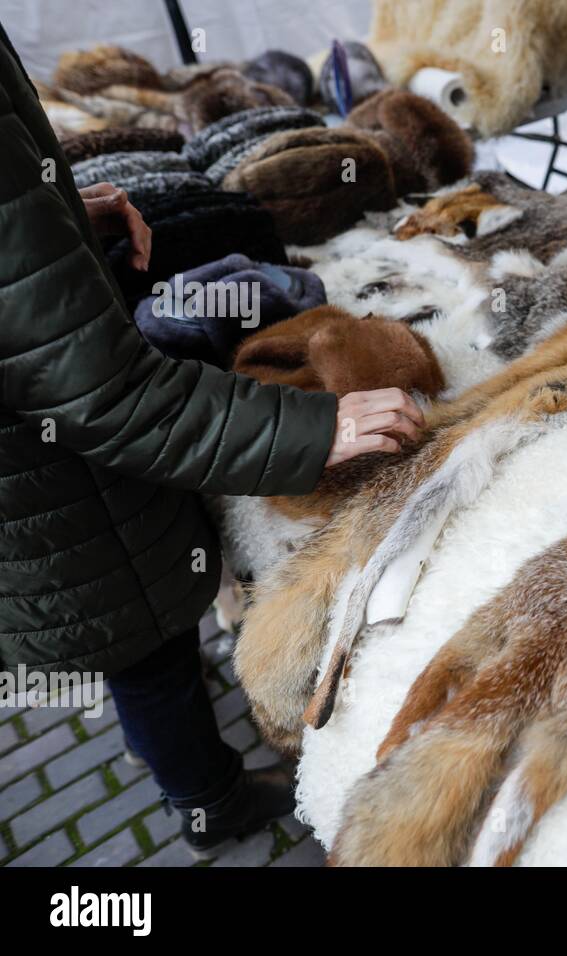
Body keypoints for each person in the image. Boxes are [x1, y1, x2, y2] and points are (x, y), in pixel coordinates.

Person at [0, 27, 424, 857]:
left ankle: (176, 748)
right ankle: (209, 801)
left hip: (45, 495)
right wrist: (313, 428)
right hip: (50, 499)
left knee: (145, 645)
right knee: (146, 653)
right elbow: (103, 391)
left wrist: (57, 224)